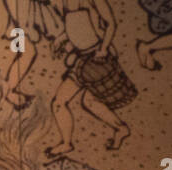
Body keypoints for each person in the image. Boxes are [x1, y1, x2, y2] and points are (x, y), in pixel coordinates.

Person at [46, 0, 135, 156]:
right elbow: (77, 28)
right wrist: (61, 39)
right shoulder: (64, 3)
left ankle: (68, 143)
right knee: (82, 102)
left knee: (64, 102)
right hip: (81, 61)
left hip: (96, 59)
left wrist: (104, 49)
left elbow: (111, 24)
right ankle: (120, 129)